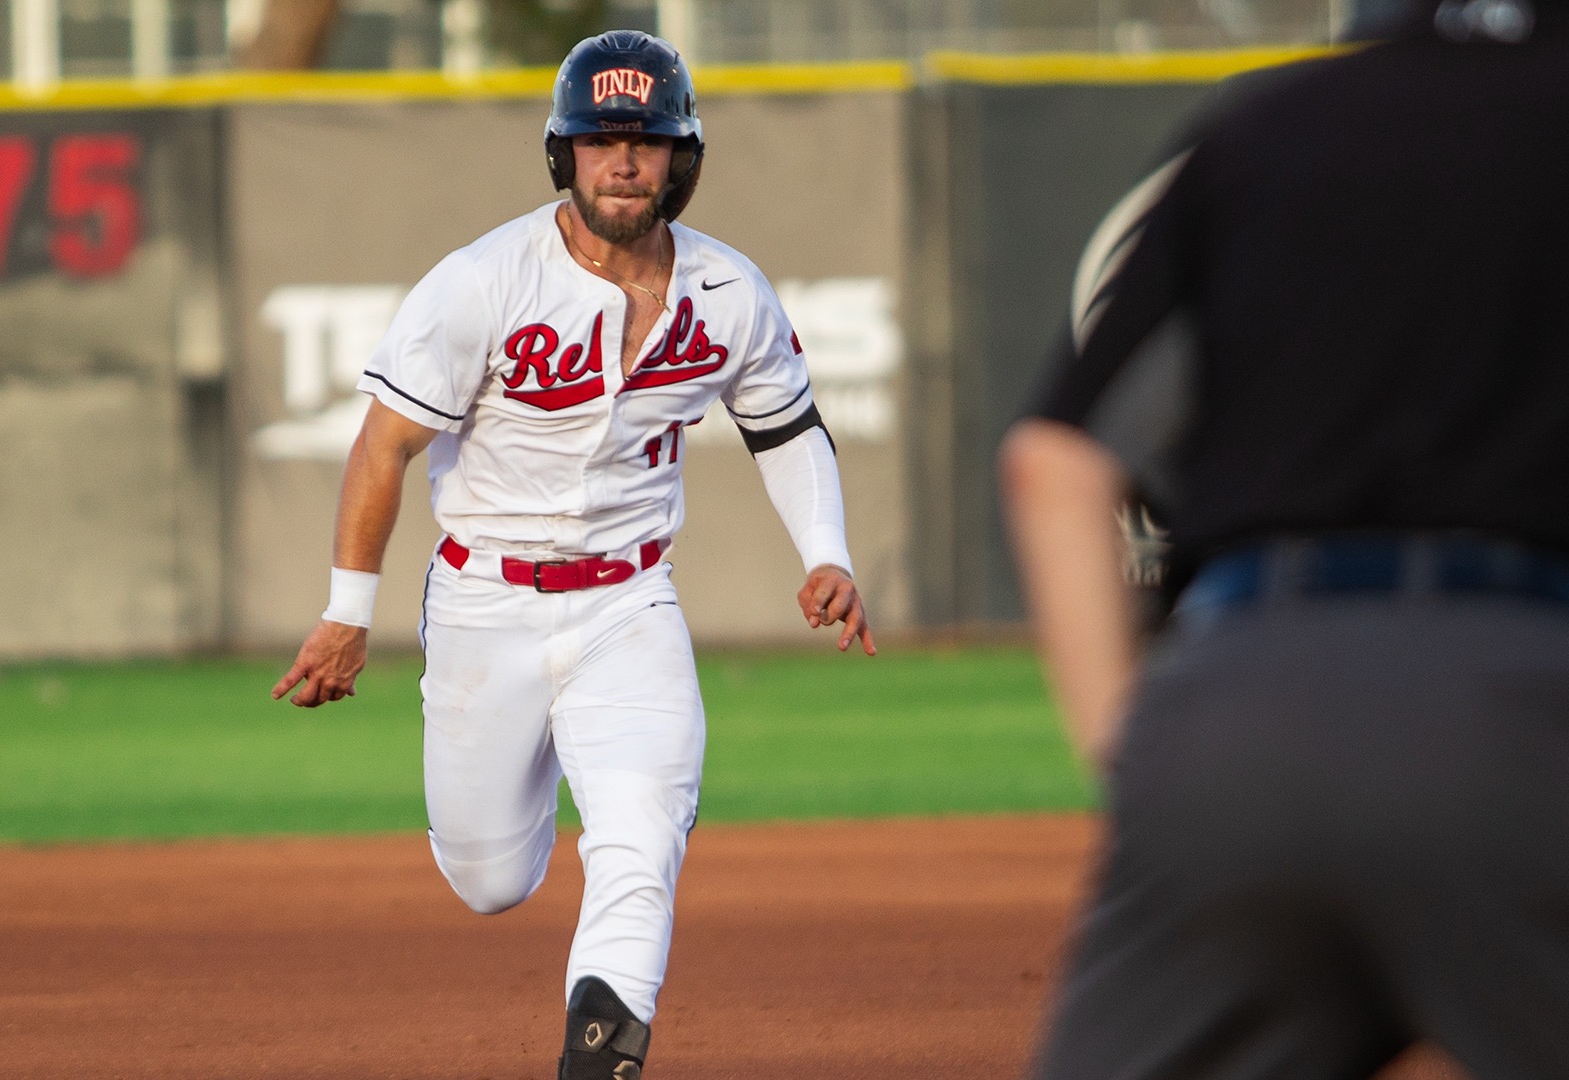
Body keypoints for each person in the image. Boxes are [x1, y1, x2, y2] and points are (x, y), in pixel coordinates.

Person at [272, 30, 875, 1080]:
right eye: (600, 140)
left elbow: (785, 427)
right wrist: (345, 610)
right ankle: (537, 764)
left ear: (683, 160)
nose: (625, 160)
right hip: (483, 605)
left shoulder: (730, 293)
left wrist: (827, 551)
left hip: (629, 603)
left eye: (649, 140)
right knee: (490, 879)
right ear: (565, 156)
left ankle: (598, 1061)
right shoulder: (483, 281)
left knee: (643, 834)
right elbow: (384, 444)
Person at [1000, 2, 1569, 1077]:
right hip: (1520, 703)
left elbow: (1052, 465)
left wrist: (1144, 762)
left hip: (1236, 713)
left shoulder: (1259, 129)